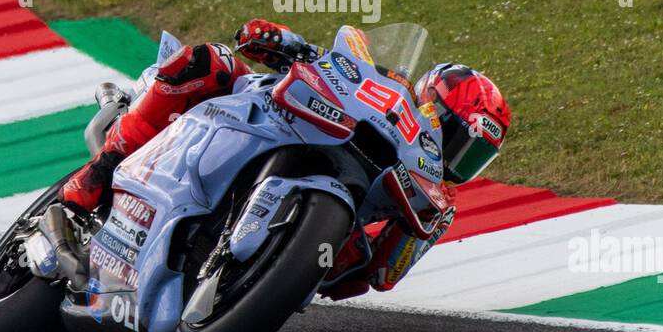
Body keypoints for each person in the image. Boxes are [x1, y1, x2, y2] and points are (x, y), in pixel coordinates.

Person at [60, 19, 511, 297]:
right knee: (211, 61)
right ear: (430, 100)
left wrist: (318, 262)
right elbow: (330, 59)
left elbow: (379, 273)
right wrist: (279, 40)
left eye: (473, 156)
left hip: (319, 205)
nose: (456, 159)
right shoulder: (387, 85)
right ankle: (96, 175)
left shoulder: (434, 205)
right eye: (456, 138)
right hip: (269, 114)